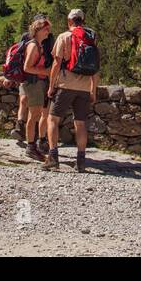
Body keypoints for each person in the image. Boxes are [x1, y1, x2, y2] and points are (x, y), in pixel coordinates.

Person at [43, 9, 98, 173]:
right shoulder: (91, 39)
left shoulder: (64, 37)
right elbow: (96, 69)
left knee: (52, 119)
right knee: (80, 123)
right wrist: (92, 90)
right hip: (84, 88)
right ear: (83, 20)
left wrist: (51, 86)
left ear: (69, 21)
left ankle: (53, 158)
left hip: (65, 85)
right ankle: (81, 161)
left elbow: (56, 65)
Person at [21, 15, 53, 160]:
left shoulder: (37, 44)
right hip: (33, 83)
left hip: (36, 83)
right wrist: (45, 72)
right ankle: (31, 147)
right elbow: (27, 67)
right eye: (46, 29)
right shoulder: (34, 45)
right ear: (38, 30)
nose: (48, 32)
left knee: (35, 115)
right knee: (33, 116)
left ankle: (32, 146)